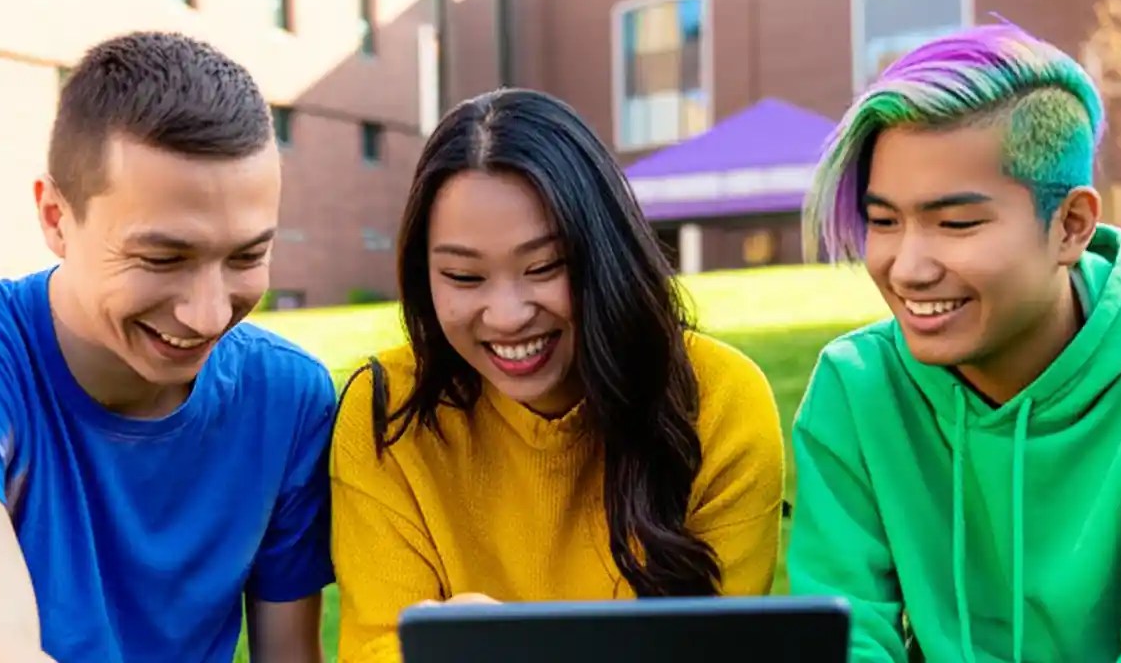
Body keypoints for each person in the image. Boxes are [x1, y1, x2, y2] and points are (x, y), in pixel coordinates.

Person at [786, 22, 1121, 662]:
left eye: (957, 223)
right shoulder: (858, 390)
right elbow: (845, 640)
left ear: (1072, 226)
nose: (907, 266)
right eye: (883, 221)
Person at [330, 88, 785, 661]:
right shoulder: (385, 413)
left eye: (544, 267)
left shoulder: (720, 401)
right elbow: (373, 648)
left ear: (606, 255)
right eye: (464, 278)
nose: (508, 315)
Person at [0, 32, 336, 662]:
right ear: (55, 218)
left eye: (247, 256)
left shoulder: (287, 399)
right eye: (162, 258)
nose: (209, 314)